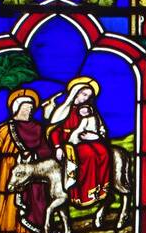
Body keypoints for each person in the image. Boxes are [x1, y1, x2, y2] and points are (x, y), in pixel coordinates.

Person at [0, 89, 52, 233]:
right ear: (16, 108)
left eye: (31, 108)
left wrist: (33, 156)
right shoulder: (6, 127)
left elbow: (45, 149)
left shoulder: (39, 128)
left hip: (31, 168)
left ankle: (28, 229)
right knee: (8, 197)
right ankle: (6, 231)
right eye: (25, 107)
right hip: (8, 167)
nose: (29, 110)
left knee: (34, 198)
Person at [45, 77, 110, 207]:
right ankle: (80, 194)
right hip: (67, 143)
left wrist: (94, 136)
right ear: (76, 92)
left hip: (86, 140)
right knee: (88, 155)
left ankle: (99, 190)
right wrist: (58, 147)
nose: (85, 98)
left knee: (103, 152)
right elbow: (54, 131)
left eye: (88, 96)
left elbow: (99, 128)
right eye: (84, 94)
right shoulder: (63, 110)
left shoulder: (89, 111)